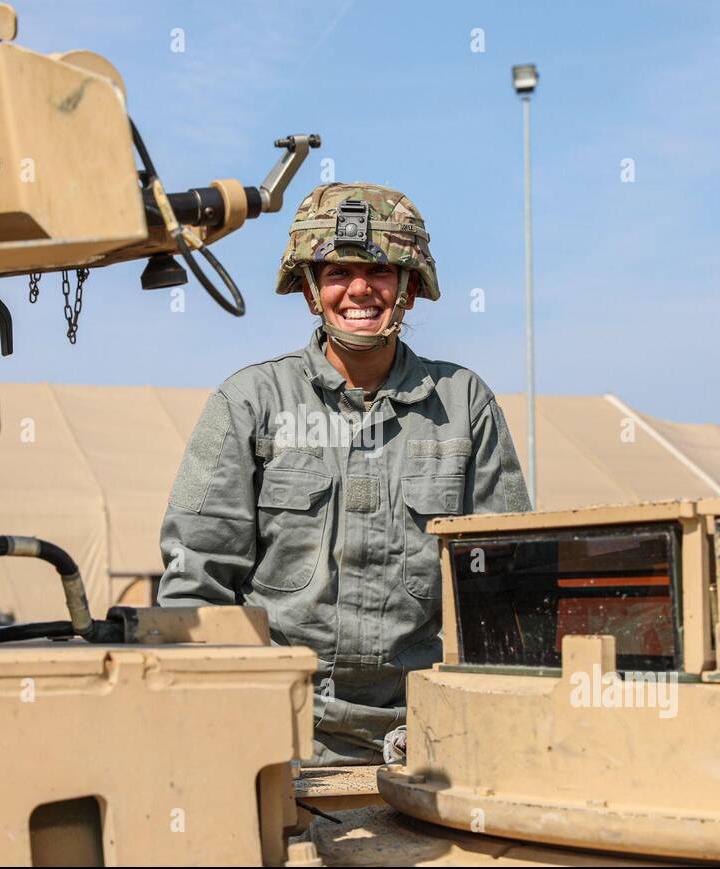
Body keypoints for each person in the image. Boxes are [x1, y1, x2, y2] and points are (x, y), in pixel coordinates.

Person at [158, 183, 530, 765]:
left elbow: (505, 588)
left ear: (409, 288)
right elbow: (197, 581)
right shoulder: (251, 402)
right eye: (336, 272)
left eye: (379, 269)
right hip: (276, 733)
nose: (359, 289)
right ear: (310, 290)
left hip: (428, 737)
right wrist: (217, 727)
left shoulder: (462, 405)